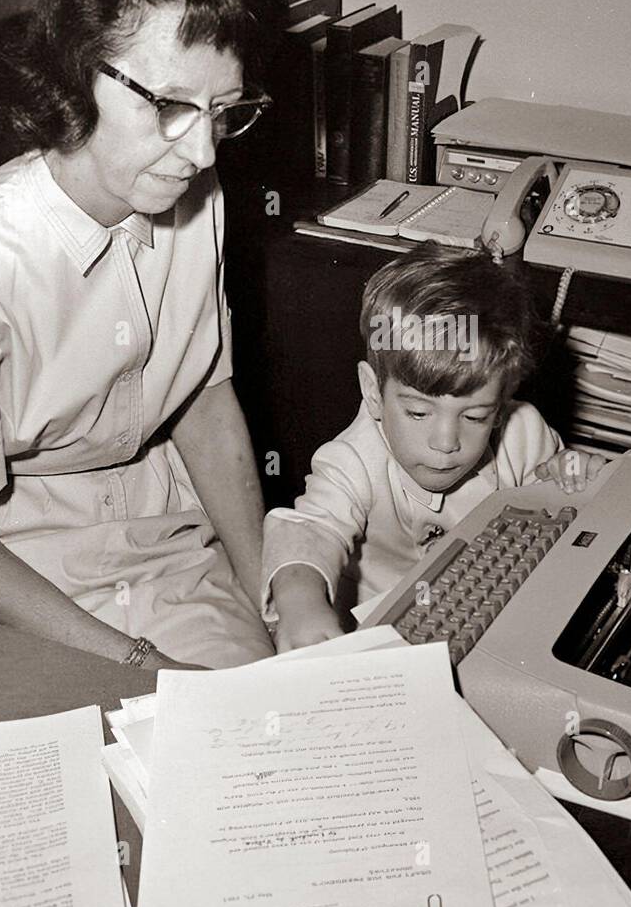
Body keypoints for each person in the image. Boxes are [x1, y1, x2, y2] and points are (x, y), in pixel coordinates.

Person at [0, 0, 278, 672]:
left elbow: (205, 404)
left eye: (224, 111)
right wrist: (137, 661)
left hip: (162, 533)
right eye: (170, 106)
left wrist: (268, 591)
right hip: (1, 555)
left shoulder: (196, 192)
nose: (202, 151)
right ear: (77, 75)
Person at [260, 243, 609, 652]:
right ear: (373, 391)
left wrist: (571, 472)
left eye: (475, 416)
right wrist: (300, 602)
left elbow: (555, 505)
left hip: (494, 620)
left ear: (503, 401)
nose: (446, 443)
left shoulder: (523, 431)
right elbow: (310, 530)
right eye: (418, 413)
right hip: (382, 637)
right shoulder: (352, 460)